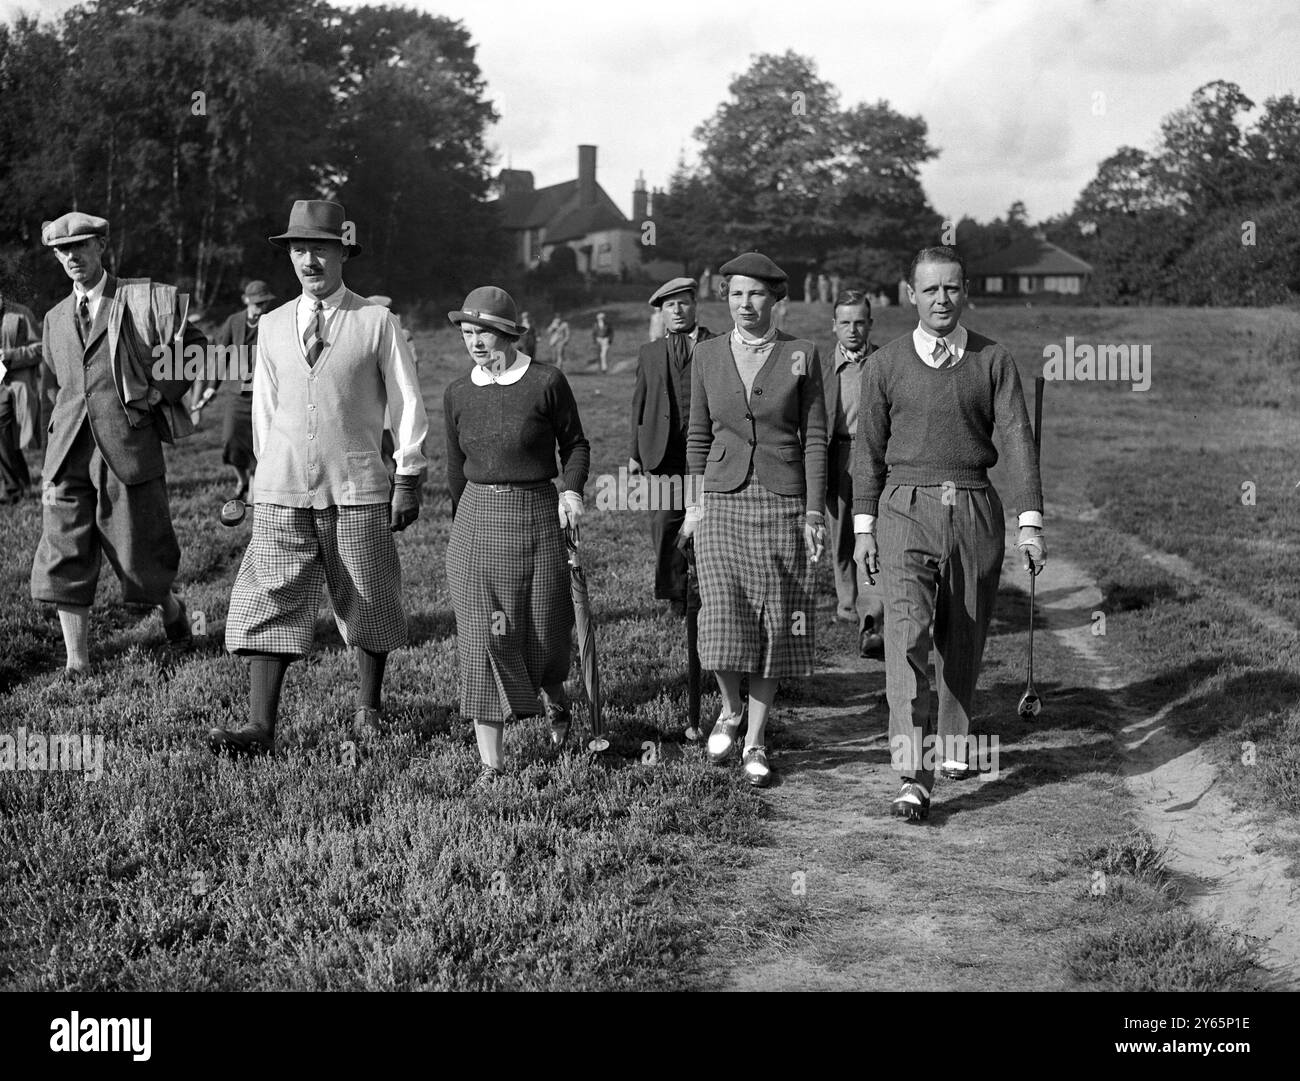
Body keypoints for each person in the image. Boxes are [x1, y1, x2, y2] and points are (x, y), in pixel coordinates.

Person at [210, 200, 428, 756]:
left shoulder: (376, 321)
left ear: (342, 254)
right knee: (269, 595)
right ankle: (260, 727)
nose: (310, 260)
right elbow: (267, 406)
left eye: (322, 249)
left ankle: (369, 712)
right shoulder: (274, 324)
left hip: (355, 483)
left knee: (368, 594)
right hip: (283, 487)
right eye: (299, 249)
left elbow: (405, 403)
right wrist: (265, 475)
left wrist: (408, 475)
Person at [852, 245, 1045, 822]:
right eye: (930, 289)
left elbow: (1015, 442)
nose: (941, 299)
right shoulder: (883, 365)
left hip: (974, 509)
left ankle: (956, 743)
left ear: (966, 292)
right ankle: (913, 774)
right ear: (910, 294)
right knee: (905, 638)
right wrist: (863, 528)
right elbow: (866, 453)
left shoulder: (994, 361)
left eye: (952, 288)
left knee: (961, 638)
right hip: (904, 507)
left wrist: (1029, 524)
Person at [679, 252, 827, 787]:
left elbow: (815, 439)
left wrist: (813, 511)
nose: (746, 304)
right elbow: (697, 436)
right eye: (737, 293)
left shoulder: (801, 354)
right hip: (721, 499)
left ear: (776, 298)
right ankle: (730, 707)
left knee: (774, 621)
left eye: (757, 294)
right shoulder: (708, 354)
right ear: (726, 297)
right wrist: (694, 507)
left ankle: (757, 741)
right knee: (721, 611)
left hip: (783, 499)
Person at [30, 212, 201, 675]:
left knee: (140, 555)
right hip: (68, 454)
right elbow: (53, 387)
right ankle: (76, 662)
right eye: (62, 251)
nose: (72, 257)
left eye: (81, 246)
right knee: (65, 551)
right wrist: (54, 438)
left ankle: (172, 610)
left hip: (127, 449)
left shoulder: (143, 300)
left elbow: (195, 345)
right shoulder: (53, 319)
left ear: (102, 246)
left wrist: (158, 392)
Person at [443, 286, 590, 783]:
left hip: (537, 514)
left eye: (484, 331)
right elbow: (454, 470)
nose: (475, 342)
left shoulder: (547, 381)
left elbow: (576, 445)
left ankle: (554, 696)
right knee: (483, 634)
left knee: (545, 629)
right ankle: (492, 764)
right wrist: (461, 521)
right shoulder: (457, 394)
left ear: (509, 332)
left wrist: (570, 493)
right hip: (476, 521)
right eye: (467, 332)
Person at [629, 276, 712, 616]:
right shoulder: (649, 353)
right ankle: (675, 594)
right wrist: (634, 453)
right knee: (665, 523)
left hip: (708, 451)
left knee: (708, 522)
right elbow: (639, 404)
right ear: (661, 313)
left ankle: (708, 591)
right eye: (670, 305)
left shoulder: (716, 344)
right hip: (663, 451)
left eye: (683, 303)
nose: (677, 311)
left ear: (695, 306)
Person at [821, 289, 884, 657]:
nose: (853, 330)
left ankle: (872, 613)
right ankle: (847, 603)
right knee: (842, 531)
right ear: (834, 327)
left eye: (860, 322)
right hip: (838, 453)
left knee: (873, 532)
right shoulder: (822, 367)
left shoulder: (884, 361)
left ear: (870, 324)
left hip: (876, 454)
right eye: (845, 322)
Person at [194, 280, 276, 503]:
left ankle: (253, 488)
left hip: (263, 393)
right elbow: (222, 356)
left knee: (259, 442)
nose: (261, 308)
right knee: (231, 440)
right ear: (246, 301)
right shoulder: (234, 321)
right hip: (236, 393)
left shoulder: (272, 322)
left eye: (264, 303)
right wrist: (211, 388)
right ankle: (242, 478)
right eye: (257, 303)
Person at [1, 290, 42, 502]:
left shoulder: (21, 314)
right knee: (3, 438)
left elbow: (40, 349)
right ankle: (16, 485)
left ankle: (16, 487)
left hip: (17, 385)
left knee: (15, 437)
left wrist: (11, 356)